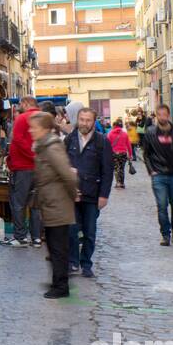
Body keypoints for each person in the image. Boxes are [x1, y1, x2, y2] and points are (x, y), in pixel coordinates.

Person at [29, 111, 79, 299]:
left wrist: (74, 195)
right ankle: (58, 280)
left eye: (33, 127)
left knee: (58, 247)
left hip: (57, 204)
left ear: (43, 128)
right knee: (53, 245)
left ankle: (61, 286)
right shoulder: (44, 146)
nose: (30, 130)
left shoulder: (51, 147)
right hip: (51, 203)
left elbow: (67, 174)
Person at [64, 107, 113, 278]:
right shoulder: (69, 139)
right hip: (72, 193)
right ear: (77, 120)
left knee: (90, 232)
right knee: (71, 229)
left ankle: (86, 263)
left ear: (94, 122)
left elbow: (108, 170)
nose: (84, 123)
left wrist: (104, 195)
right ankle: (73, 262)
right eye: (82, 119)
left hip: (92, 193)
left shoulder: (102, 142)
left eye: (88, 120)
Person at [142, 104, 173, 246]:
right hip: (158, 174)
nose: (162, 117)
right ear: (156, 115)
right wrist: (151, 170)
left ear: (168, 115)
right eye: (159, 114)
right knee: (161, 205)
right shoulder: (150, 132)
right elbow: (146, 153)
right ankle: (165, 235)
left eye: (164, 114)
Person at [6, 95, 42, 248]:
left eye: (20, 103)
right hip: (38, 168)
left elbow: (18, 140)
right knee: (35, 204)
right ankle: (36, 237)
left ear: (26, 103)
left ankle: (21, 237)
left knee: (19, 203)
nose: (19, 105)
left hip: (23, 168)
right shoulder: (41, 117)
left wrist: (32, 155)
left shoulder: (22, 118)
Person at [107, 121, 132, 189]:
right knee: (121, 168)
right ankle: (122, 183)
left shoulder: (110, 133)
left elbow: (107, 145)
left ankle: (118, 183)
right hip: (123, 153)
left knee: (116, 168)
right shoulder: (124, 134)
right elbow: (129, 145)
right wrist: (130, 154)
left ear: (114, 126)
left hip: (114, 153)